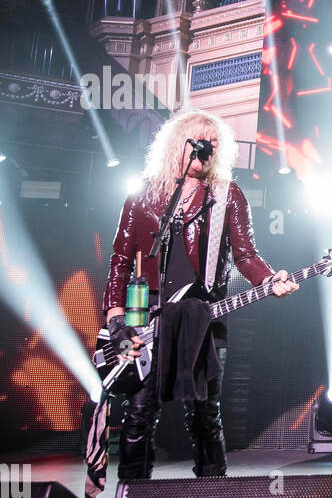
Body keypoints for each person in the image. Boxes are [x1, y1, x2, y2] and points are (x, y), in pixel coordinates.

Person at [102, 110, 298, 479]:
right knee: (139, 411)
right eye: (200, 143)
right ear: (180, 145)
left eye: (214, 146)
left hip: (202, 318)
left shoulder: (227, 196)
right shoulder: (143, 196)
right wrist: (115, 315)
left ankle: (212, 496)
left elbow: (246, 254)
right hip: (149, 320)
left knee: (206, 413)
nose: (207, 152)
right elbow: (120, 260)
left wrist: (270, 279)